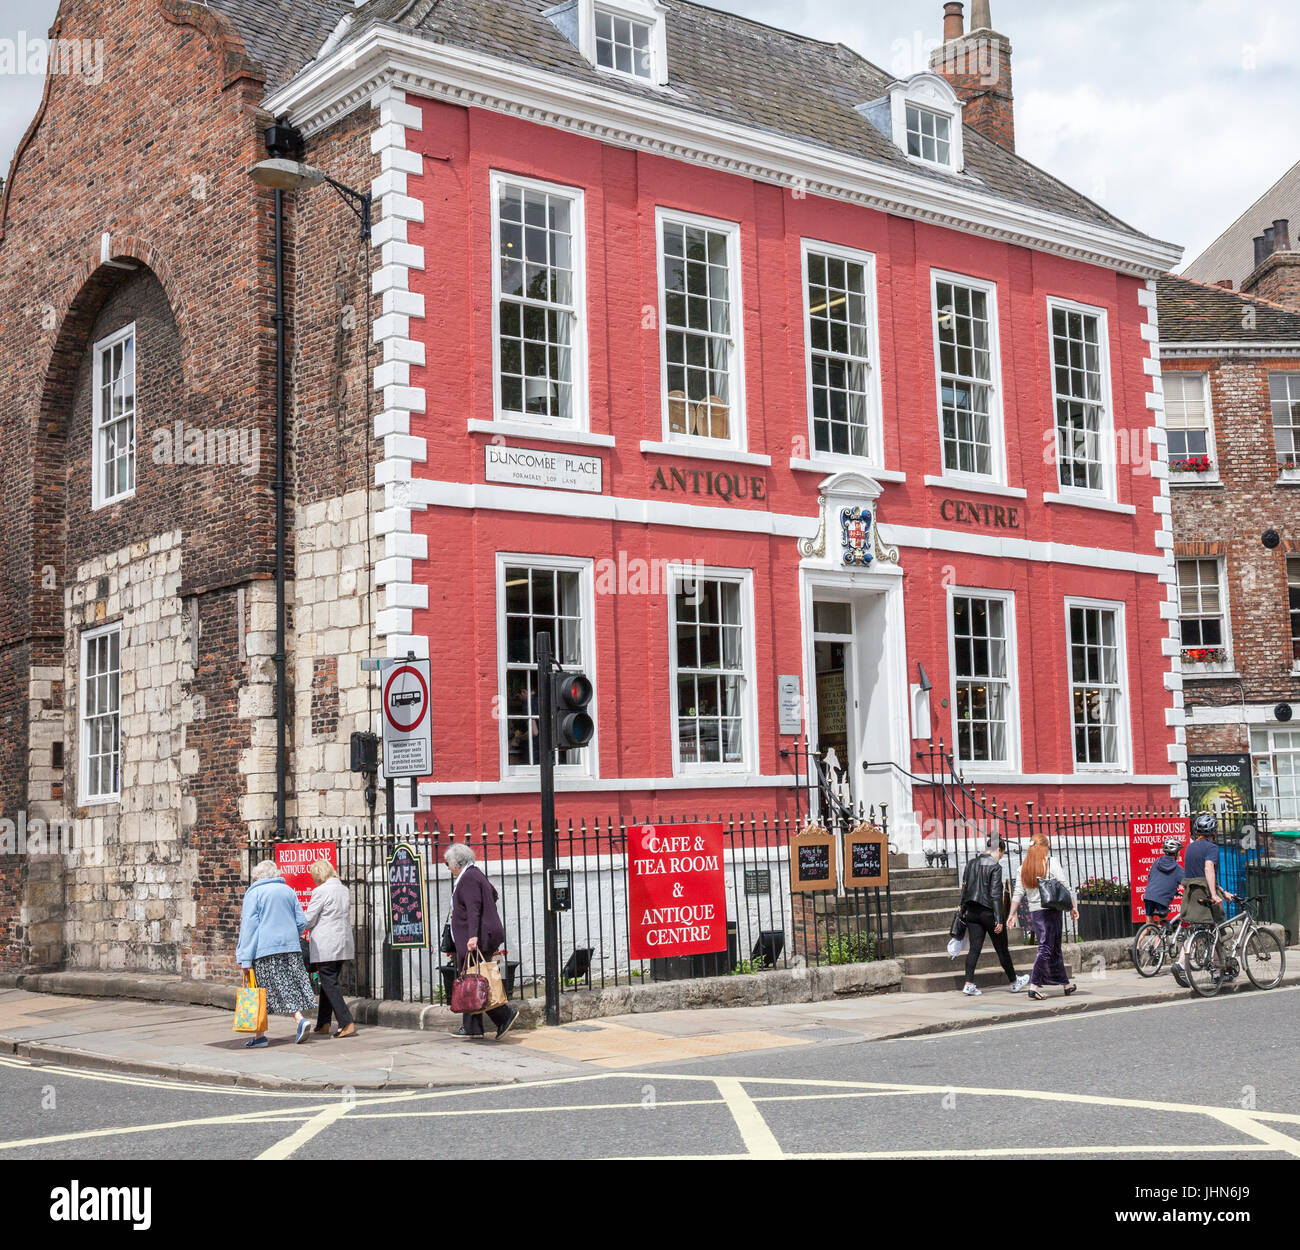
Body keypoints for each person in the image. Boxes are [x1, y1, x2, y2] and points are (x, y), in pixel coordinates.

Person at [235, 860, 316, 1047]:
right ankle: (259, 1036)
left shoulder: (254, 893)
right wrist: (290, 936)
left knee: (266, 991)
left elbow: (249, 927)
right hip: (291, 948)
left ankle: (299, 1019)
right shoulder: (288, 890)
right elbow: (301, 921)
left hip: (266, 951)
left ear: (257, 876)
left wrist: (245, 958)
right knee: (279, 987)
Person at [446, 843, 519, 1040]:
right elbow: (492, 895)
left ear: (457, 863)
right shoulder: (475, 874)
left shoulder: (468, 878)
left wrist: (472, 936)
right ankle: (472, 1027)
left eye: (448, 864)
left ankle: (504, 1015)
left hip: (477, 937)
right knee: (473, 977)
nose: (448, 868)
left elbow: (473, 908)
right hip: (482, 934)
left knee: (477, 979)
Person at [1009, 832, 1080, 1000]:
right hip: (1050, 911)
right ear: (1043, 848)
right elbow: (1065, 886)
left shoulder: (1022, 868)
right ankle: (1034, 985)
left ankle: (1065, 984)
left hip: (1036, 913)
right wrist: (1073, 907)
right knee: (1046, 948)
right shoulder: (1050, 863)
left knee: (1054, 947)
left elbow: (1018, 893)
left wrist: (1011, 914)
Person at [958, 835, 1030, 997]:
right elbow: (996, 895)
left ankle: (968, 984)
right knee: (1002, 948)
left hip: (972, 911)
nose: (1001, 857)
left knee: (974, 949)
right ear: (998, 849)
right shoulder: (995, 867)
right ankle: (1013, 982)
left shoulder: (971, 864)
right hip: (989, 913)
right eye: (1002, 854)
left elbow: (965, 888)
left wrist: (962, 910)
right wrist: (999, 919)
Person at [303, 859, 357, 1039]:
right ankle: (323, 1023)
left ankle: (346, 1021)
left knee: (329, 982)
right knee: (328, 982)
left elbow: (309, 919)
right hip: (342, 942)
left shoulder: (320, 891)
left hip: (326, 943)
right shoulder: (343, 889)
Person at [1174, 812, 1228, 977]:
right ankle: (1218, 971)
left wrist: (1223, 891)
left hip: (1191, 895)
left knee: (1196, 929)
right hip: (1205, 893)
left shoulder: (1189, 848)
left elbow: (1196, 873)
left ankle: (1180, 963)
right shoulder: (1212, 848)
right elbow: (1208, 869)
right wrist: (1214, 894)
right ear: (1213, 832)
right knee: (1217, 929)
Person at [1142, 836, 1186, 922]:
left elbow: (1150, 876)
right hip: (1162, 899)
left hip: (1149, 895)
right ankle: (1158, 935)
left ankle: (1142, 935)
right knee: (1161, 926)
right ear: (1176, 853)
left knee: (1148, 925)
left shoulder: (1157, 861)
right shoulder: (1178, 868)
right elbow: (1186, 882)